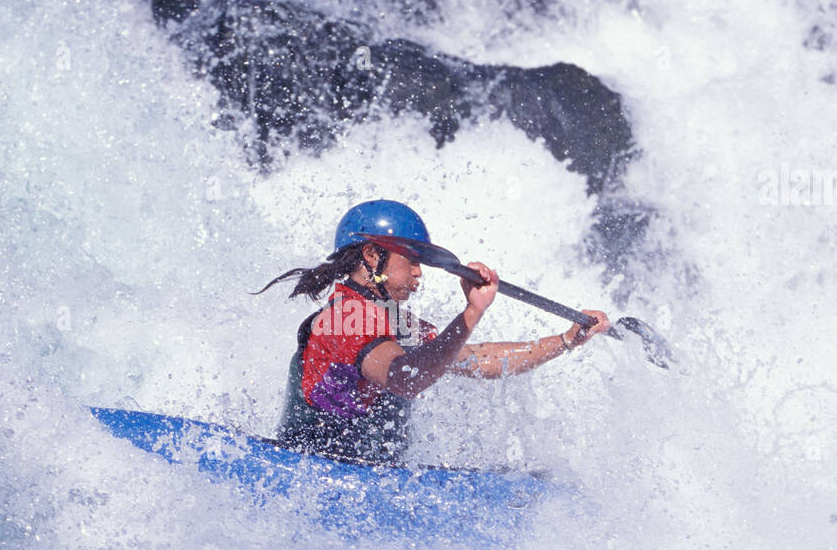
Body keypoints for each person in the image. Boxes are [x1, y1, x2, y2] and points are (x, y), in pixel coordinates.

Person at [257, 199, 611, 464]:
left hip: (367, 474)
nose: (419, 272)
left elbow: (478, 359)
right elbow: (405, 378)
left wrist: (566, 340)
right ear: (370, 255)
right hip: (314, 471)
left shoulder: (396, 321)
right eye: (410, 260)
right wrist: (471, 313)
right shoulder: (346, 318)